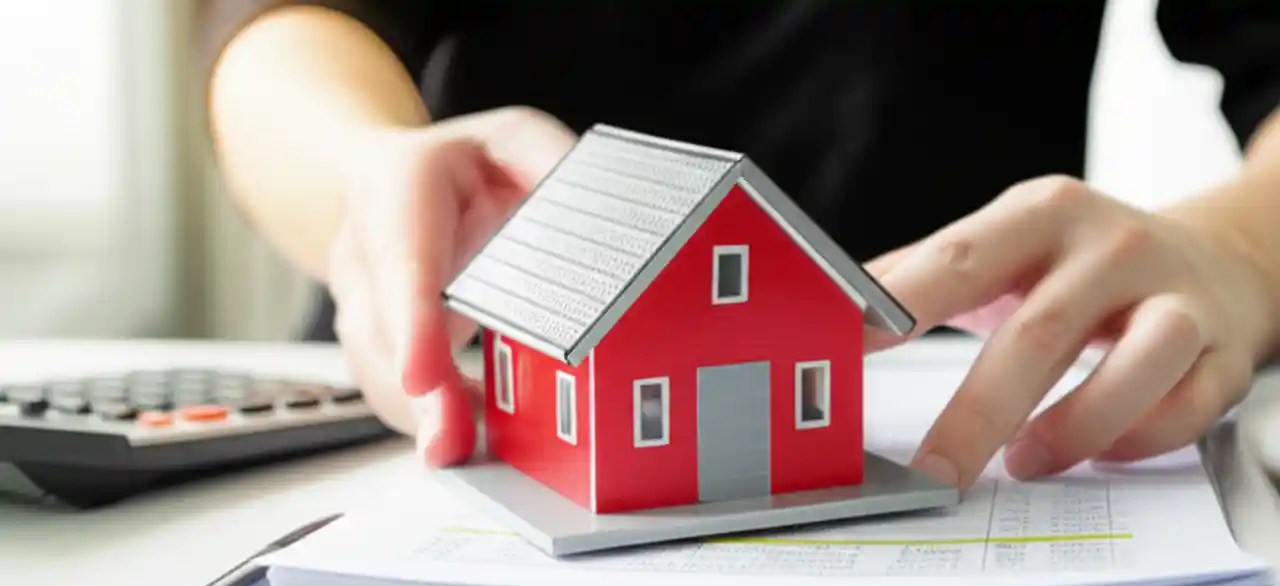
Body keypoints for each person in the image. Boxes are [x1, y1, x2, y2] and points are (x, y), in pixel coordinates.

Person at [196, 1, 1280, 492]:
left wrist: (1236, 245)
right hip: (439, 366)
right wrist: (362, 168)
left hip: (969, 380)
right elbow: (275, 24)